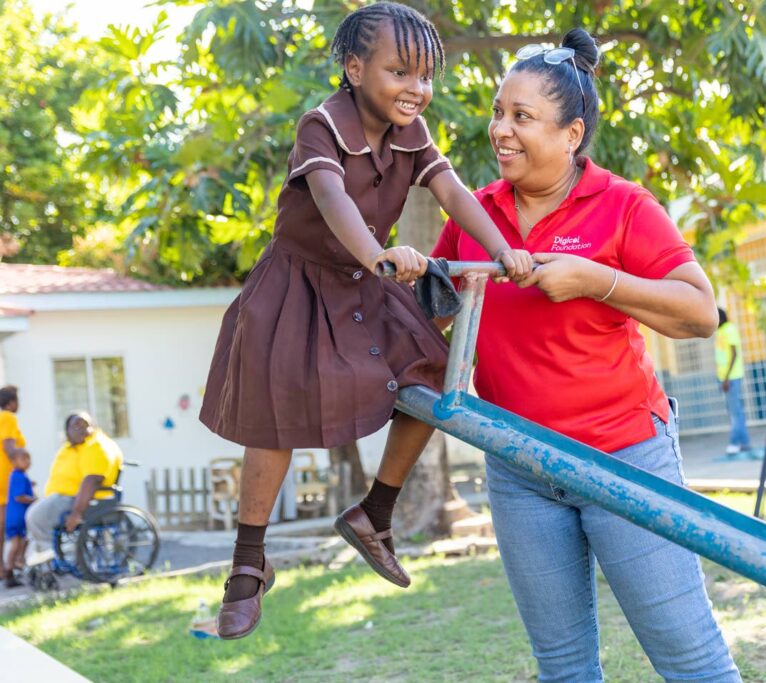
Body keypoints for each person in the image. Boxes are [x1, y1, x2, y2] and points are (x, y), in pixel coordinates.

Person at [197, 2, 531, 640]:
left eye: (425, 75)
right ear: (354, 69)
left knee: (433, 373)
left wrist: (503, 249)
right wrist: (380, 256)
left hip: (366, 282)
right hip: (299, 284)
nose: (416, 88)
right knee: (275, 410)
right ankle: (247, 564)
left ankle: (375, 512)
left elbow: (453, 193)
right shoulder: (321, 125)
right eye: (400, 72)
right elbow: (332, 199)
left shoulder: (412, 132)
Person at [432, 28, 740, 682]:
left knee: (690, 659)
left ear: (572, 134)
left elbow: (699, 312)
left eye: (521, 117)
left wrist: (596, 280)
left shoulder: (623, 205)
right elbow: (430, 316)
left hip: (624, 455)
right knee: (564, 667)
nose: (500, 130)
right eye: (498, 112)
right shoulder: (474, 213)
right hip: (518, 464)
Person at [25, 413, 122, 559]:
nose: (81, 429)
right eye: (76, 425)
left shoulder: (97, 445)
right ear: (67, 431)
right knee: (28, 516)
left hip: (82, 500)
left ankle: (51, 557)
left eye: (85, 425)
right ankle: (42, 556)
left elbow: (92, 480)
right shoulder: (72, 447)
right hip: (62, 497)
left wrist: (76, 513)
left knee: (36, 516)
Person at [0, 385, 29, 584]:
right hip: (7, 477)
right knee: (8, 524)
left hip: (7, 477)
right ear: (11, 402)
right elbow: (9, 446)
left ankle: (5, 567)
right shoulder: (8, 417)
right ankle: (8, 567)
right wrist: (21, 470)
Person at [716, 308, 752, 456]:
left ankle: (735, 442)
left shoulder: (729, 329)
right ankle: (744, 442)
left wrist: (727, 378)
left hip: (731, 377)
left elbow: (734, 354)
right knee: (735, 412)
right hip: (724, 377)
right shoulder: (720, 331)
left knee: (735, 413)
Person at [5, 451, 35, 587]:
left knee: (24, 540)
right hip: (16, 516)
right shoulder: (18, 476)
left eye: (28, 458)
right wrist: (34, 500)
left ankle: (18, 564)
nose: (27, 462)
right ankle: (10, 570)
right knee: (16, 544)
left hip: (19, 516)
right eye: (23, 459)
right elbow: (19, 497)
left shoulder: (21, 476)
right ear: (14, 462)